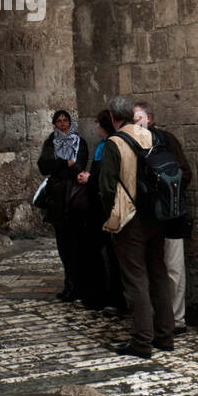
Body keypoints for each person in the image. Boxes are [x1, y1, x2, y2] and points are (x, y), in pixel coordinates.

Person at [98, 94, 175, 358]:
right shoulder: (151, 136)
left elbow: (106, 186)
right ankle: (165, 335)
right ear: (133, 114)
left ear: (112, 117)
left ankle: (142, 339)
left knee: (135, 279)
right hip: (156, 215)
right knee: (158, 274)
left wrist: (110, 213)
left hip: (129, 218)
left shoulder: (114, 143)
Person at [133, 101, 193, 333]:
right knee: (150, 269)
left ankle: (177, 319)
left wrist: (167, 193)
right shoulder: (132, 144)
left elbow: (185, 173)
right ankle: (155, 318)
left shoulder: (167, 140)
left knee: (174, 268)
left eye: (139, 117)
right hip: (146, 217)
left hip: (172, 213)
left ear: (149, 118)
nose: (135, 122)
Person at [76, 109, 126, 311]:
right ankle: (99, 295)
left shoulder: (110, 145)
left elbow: (108, 177)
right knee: (96, 252)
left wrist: (90, 179)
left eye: (98, 123)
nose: (95, 127)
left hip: (105, 207)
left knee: (110, 254)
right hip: (98, 206)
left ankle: (113, 298)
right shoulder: (103, 145)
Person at [37, 108, 89, 302]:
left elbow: (79, 165)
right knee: (63, 247)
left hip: (74, 197)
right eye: (58, 121)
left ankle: (79, 286)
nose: (62, 124)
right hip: (57, 201)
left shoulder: (79, 142)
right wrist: (63, 163)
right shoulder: (51, 142)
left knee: (77, 245)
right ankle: (69, 285)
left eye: (65, 120)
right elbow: (44, 165)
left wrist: (64, 166)